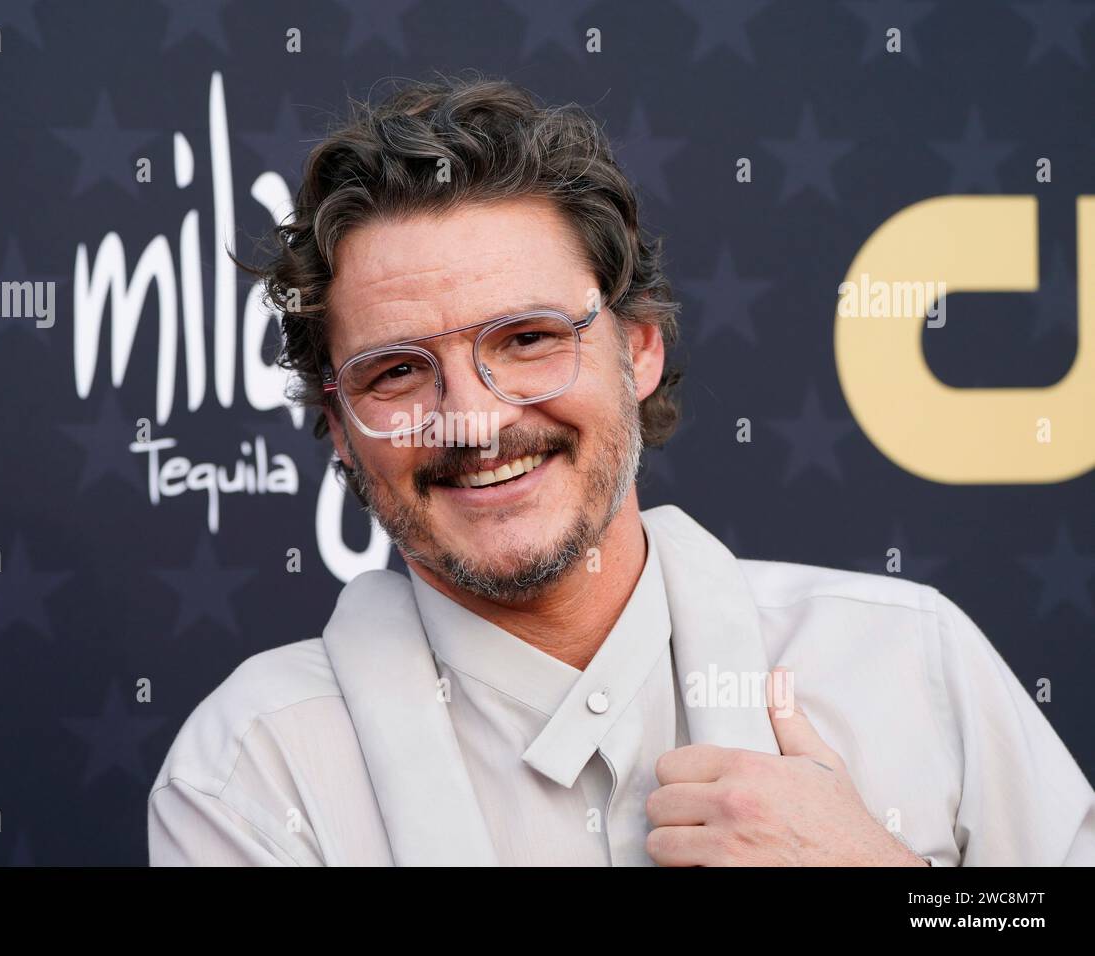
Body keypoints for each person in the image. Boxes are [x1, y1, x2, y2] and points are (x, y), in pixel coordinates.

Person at [148, 73, 1095, 866]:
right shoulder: (252, 776)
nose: (475, 420)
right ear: (341, 427)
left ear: (638, 348)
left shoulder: (907, 659)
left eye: (527, 339)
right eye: (396, 371)